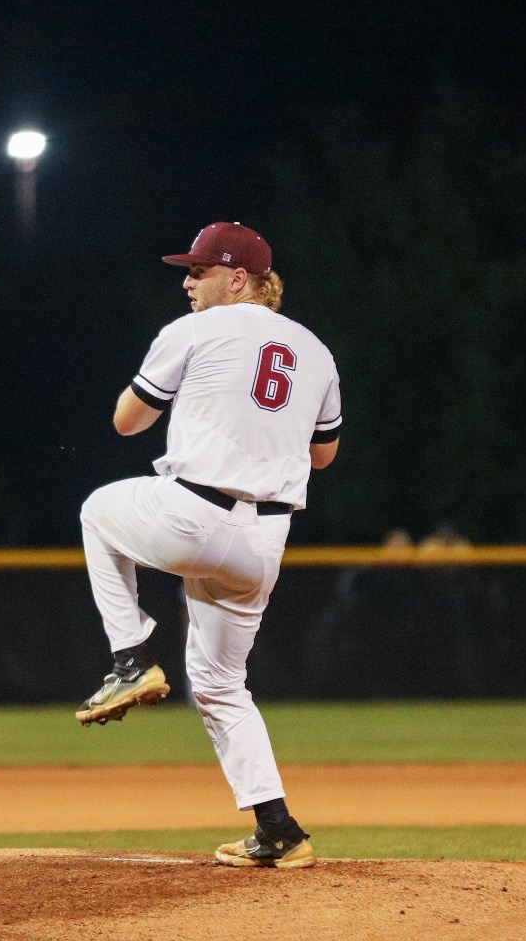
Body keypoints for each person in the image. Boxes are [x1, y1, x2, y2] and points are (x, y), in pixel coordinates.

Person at [74, 221, 342, 867]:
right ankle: (279, 829)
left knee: (95, 512)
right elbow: (324, 454)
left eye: (198, 270)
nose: (188, 282)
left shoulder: (191, 331)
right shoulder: (316, 350)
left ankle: (131, 658)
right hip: (265, 542)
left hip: (194, 516)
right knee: (222, 685)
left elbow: (127, 420)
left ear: (238, 278)